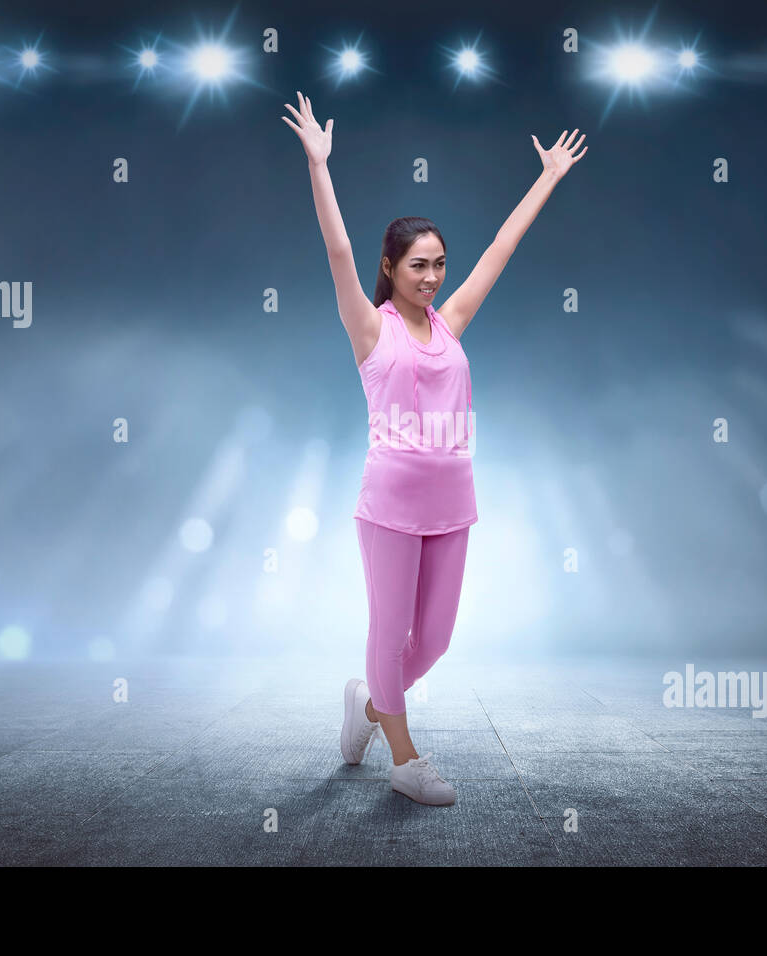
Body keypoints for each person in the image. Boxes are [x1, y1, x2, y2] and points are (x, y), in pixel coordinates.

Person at [281, 90, 587, 805]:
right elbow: (336, 249)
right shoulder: (370, 329)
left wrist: (546, 177)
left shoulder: (450, 324)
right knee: (389, 636)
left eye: (438, 263)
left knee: (436, 640)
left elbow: (501, 251)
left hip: (453, 503)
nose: (433, 276)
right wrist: (319, 166)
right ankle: (406, 757)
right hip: (388, 505)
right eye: (417, 265)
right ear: (391, 269)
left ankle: (366, 705)